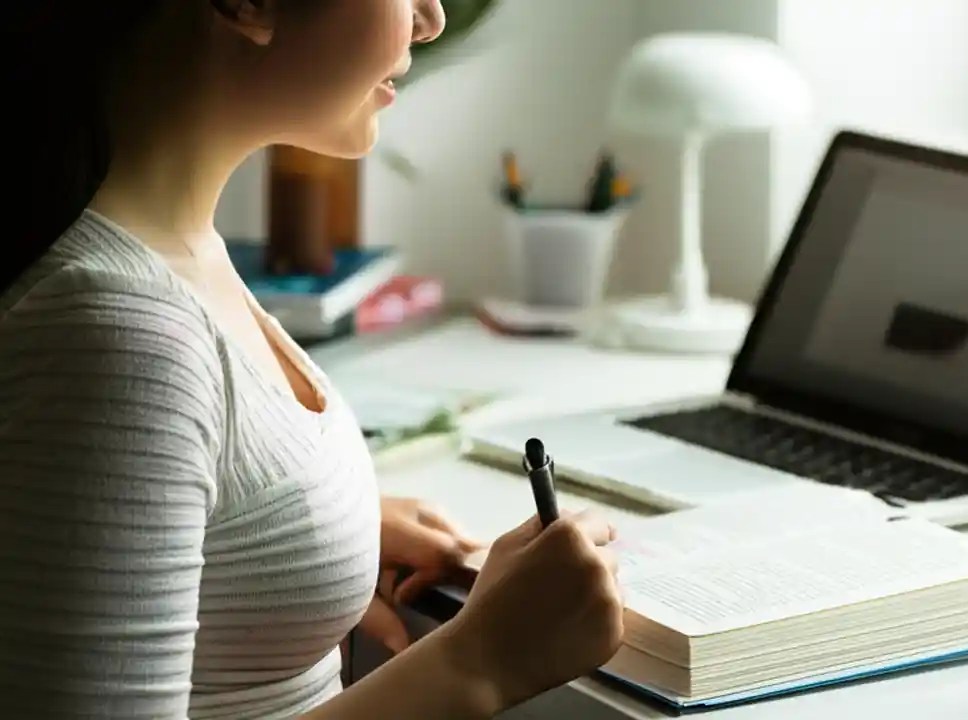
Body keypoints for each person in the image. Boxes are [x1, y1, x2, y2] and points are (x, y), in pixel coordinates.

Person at [0, 2, 625, 718]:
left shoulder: (173, 261)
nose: (432, 18)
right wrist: (478, 662)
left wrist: (299, 535)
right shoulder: (118, 336)